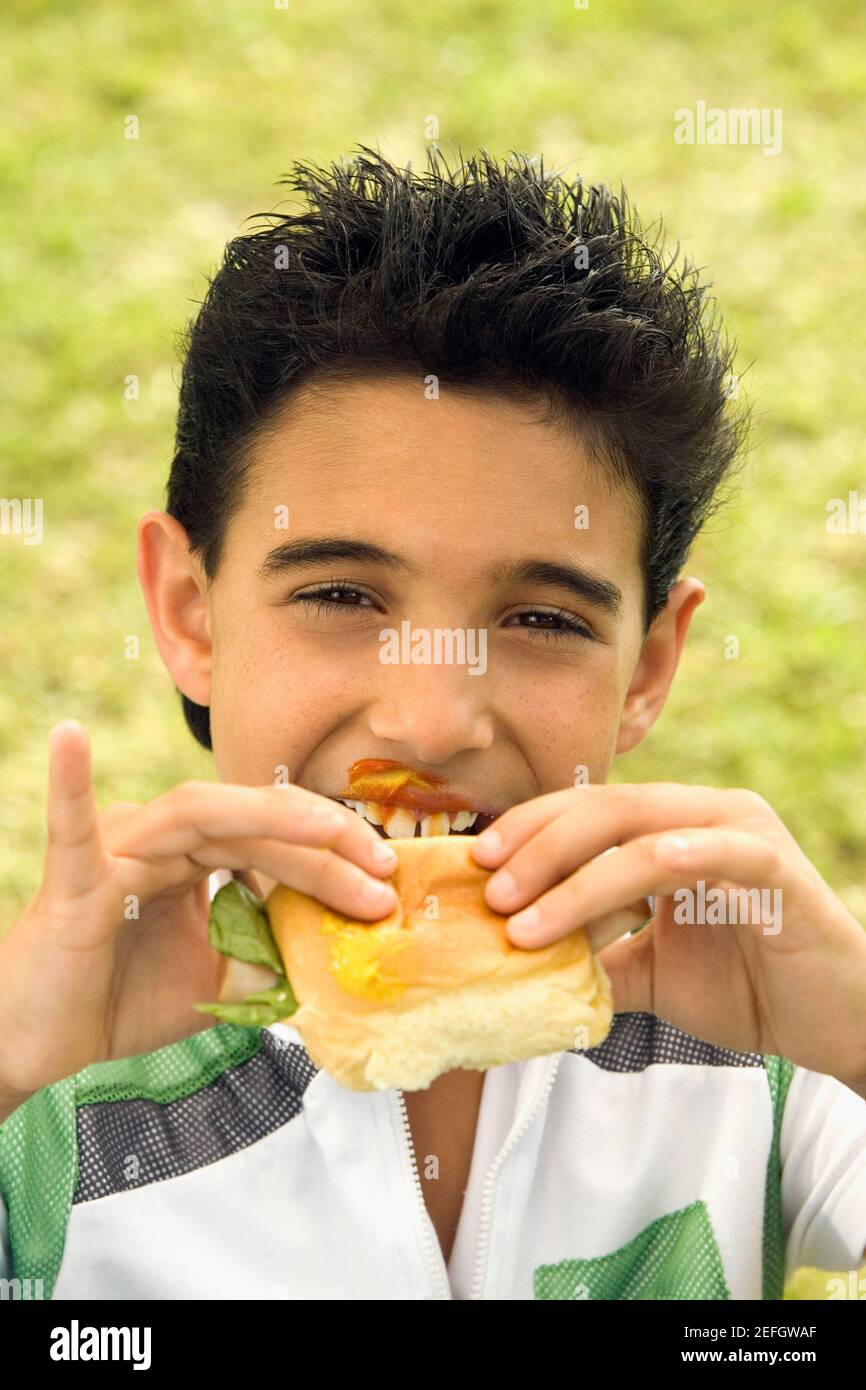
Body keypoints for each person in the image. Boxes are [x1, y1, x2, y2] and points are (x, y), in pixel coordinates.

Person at [1, 148, 864, 1300]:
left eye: (541, 616)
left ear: (648, 664)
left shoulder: (753, 1048)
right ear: (186, 611)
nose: (429, 719)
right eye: (341, 596)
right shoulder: (51, 1087)